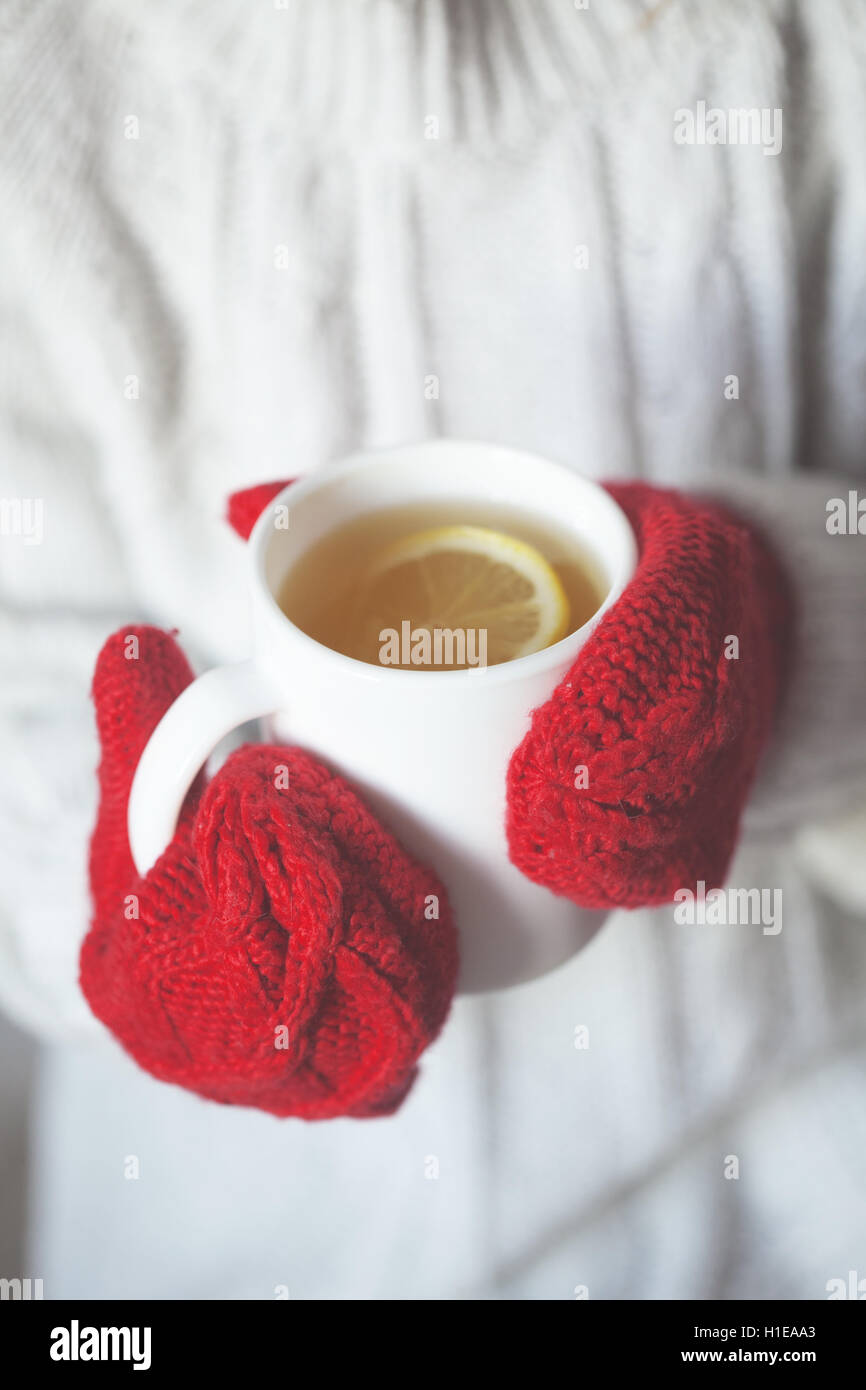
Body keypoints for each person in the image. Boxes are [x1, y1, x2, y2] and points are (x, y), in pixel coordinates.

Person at [1, 0, 865, 1299]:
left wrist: (780, 642)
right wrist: (136, 906)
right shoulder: (45, 80)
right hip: (216, 1243)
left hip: (764, 1193)